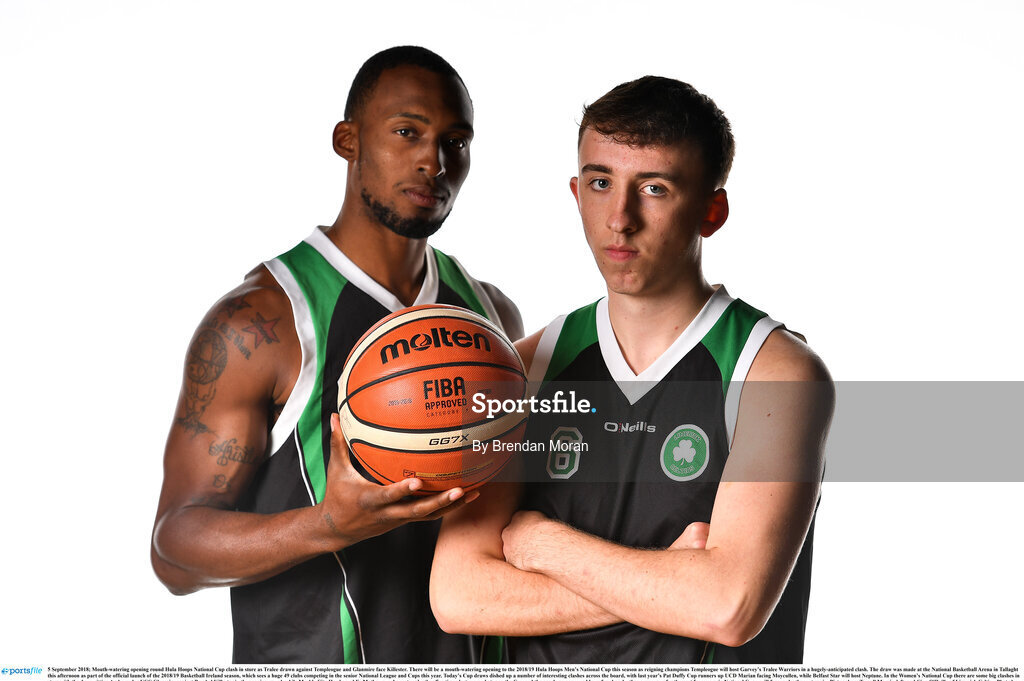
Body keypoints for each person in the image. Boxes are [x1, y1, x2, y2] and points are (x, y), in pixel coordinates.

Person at [430, 76, 833, 663]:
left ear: (711, 210)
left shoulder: (776, 374)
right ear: (575, 193)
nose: (620, 218)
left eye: (654, 188)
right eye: (600, 183)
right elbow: (459, 594)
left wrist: (547, 545)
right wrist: (672, 582)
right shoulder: (526, 368)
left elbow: (729, 606)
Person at [151, 46, 523, 664]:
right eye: (407, 132)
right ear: (347, 140)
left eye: (455, 142)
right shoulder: (260, 324)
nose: (433, 162)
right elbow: (174, 552)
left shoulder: (490, 319)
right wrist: (328, 525)